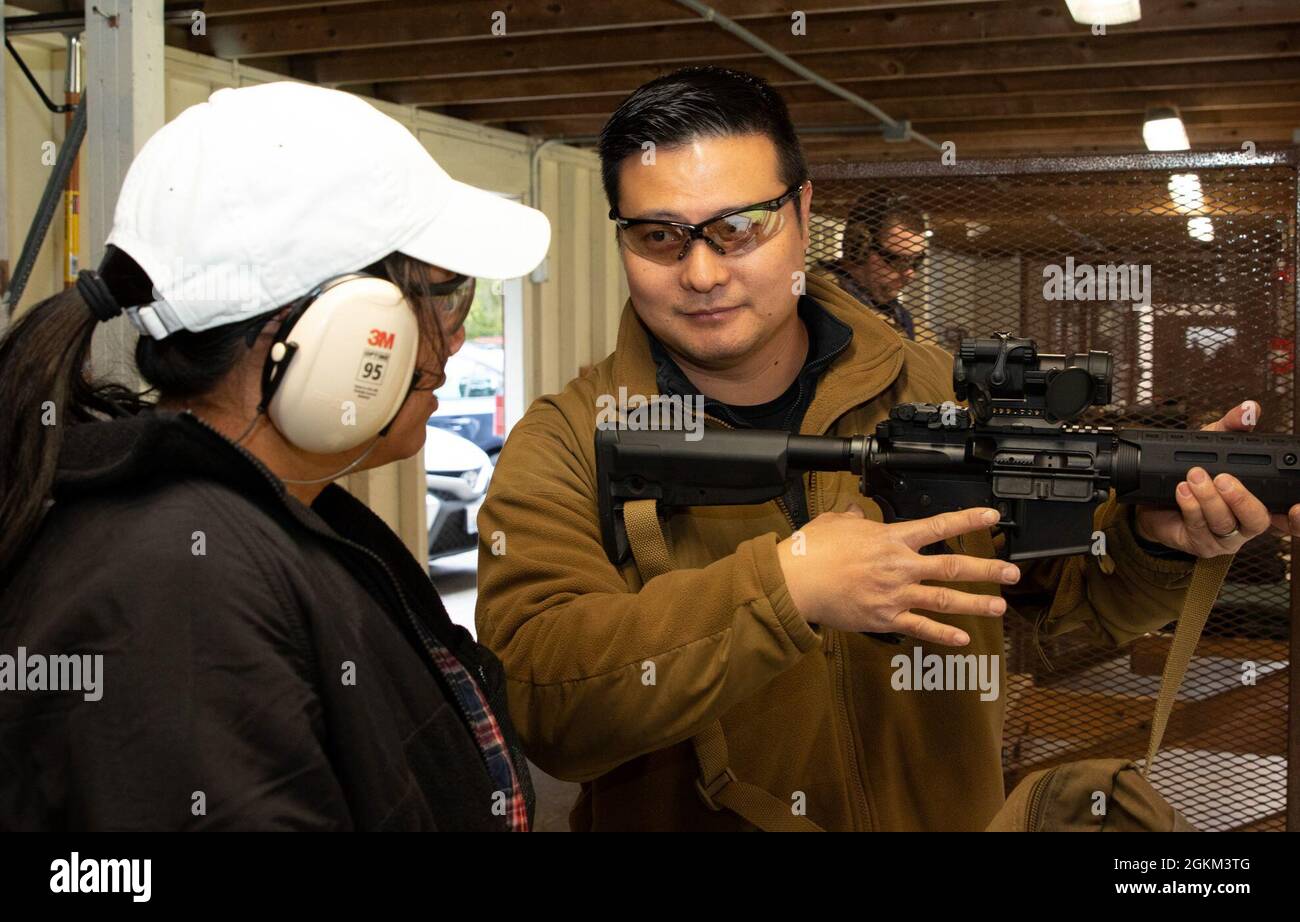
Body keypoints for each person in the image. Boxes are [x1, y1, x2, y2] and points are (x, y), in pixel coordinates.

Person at [474, 66, 1298, 831]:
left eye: (738, 228)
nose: (699, 273)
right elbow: (547, 706)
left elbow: (1046, 624)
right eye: (659, 237)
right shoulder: (569, 441)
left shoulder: (932, 386)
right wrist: (785, 588)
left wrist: (1155, 549)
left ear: (800, 216)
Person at [0, 82, 550, 831]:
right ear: (338, 326)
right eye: (443, 295)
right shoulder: (180, 590)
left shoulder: (275, 521)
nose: (455, 338)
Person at [817, 189, 934, 343]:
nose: (910, 274)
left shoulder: (899, 316)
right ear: (857, 247)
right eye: (897, 260)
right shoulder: (820, 307)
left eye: (917, 261)